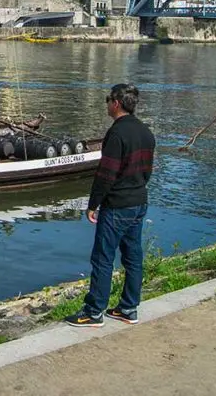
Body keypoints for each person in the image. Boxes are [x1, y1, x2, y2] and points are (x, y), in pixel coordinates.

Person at [66, 83, 156, 328]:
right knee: (133, 257)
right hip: (139, 200)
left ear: (116, 103)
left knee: (103, 258)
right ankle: (129, 308)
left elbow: (106, 175)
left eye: (108, 99)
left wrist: (93, 204)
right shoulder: (146, 132)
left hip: (117, 204)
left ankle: (94, 312)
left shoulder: (117, 134)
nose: (106, 103)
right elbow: (148, 171)